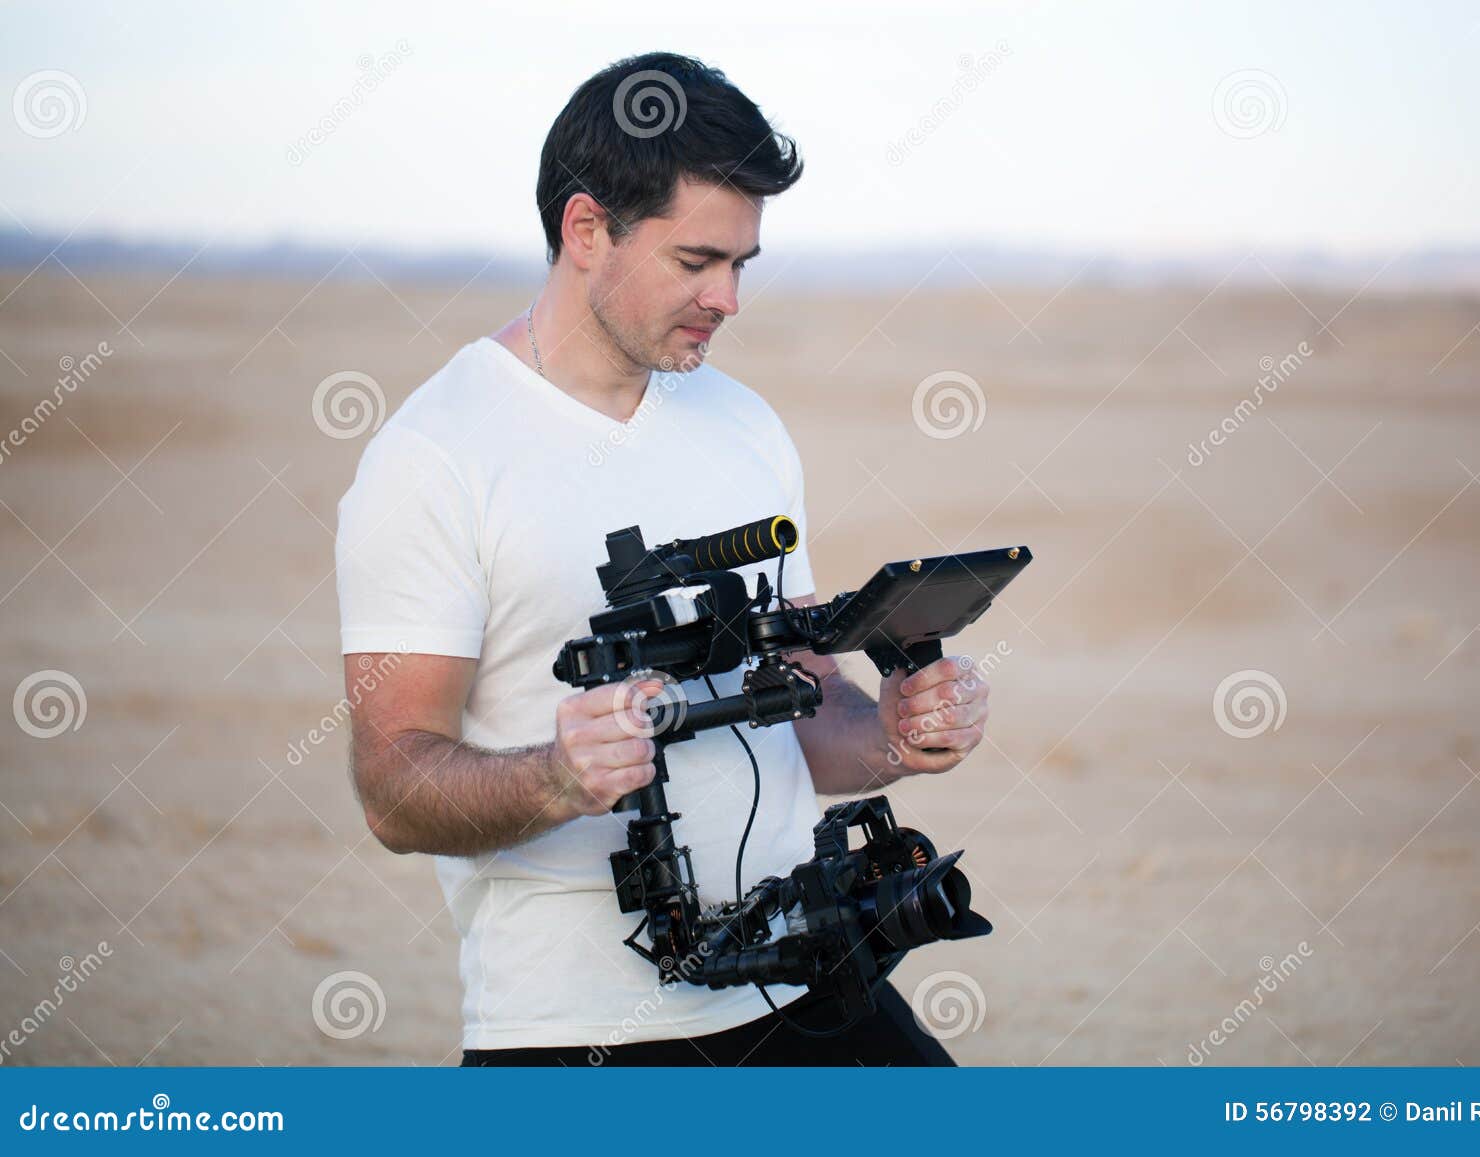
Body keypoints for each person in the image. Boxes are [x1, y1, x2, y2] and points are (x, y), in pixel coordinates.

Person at [334, 51, 992, 1066]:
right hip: (580, 1033)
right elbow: (392, 785)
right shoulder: (437, 456)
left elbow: (807, 705)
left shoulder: (743, 422)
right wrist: (557, 773)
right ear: (586, 229)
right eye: (696, 262)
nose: (727, 298)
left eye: (742, 264)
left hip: (812, 978)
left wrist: (896, 733)